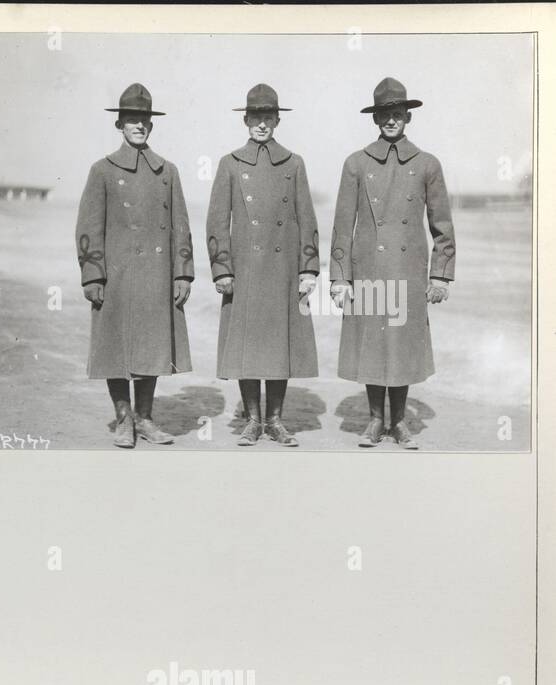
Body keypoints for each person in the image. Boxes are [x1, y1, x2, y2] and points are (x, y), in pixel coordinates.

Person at [329, 77, 456, 449]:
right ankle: (374, 421)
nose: (391, 120)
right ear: (376, 118)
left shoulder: (428, 164)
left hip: (407, 272)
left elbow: (443, 226)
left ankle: (399, 423)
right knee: (373, 344)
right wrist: (340, 279)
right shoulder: (355, 163)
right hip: (368, 269)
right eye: (385, 113)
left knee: (400, 345)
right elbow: (341, 226)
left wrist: (440, 277)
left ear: (408, 117)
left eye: (397, 113)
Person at [75, 83, 195, 448]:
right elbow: (88, 228)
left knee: (151, 348)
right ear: (120, 125)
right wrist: (92, 275)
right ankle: (124, 418)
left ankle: (145, 418)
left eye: (144, 120)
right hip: (118, 278)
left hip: (157, 278)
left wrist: (182, 273)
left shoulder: (167, 171)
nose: (138, 126)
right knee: (117, 350)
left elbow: (181, 226)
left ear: (151, 125)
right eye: (131, 120)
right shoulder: (103, 171)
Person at [206, 83, 320, 447]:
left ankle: (275, 419)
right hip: (245, 270)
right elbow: (216, 222)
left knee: (279, 344)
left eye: (268, 117)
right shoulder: (230, 164)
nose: (261, 124)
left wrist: (308, 268)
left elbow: (307, 219)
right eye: (255, 117)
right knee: (248, 346)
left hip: (284, 269)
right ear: (246, 119)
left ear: (276, 120)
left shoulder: (294, 163)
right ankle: (253, 419)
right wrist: (222, 269)